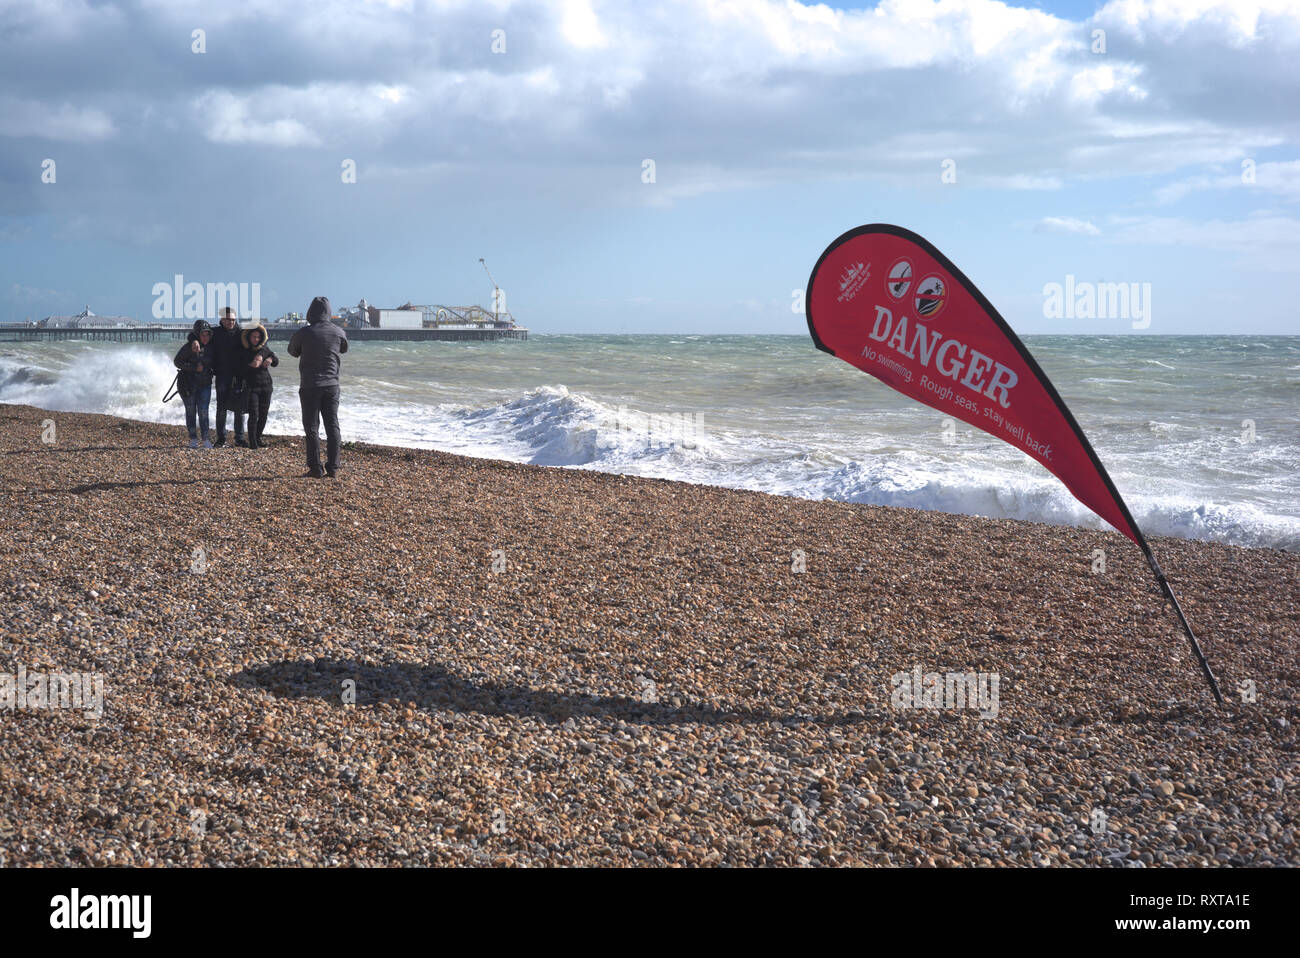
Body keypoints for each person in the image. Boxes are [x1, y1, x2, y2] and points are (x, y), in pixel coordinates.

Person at [287, 296, 348, 478]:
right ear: (329, 312)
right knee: (332, 425)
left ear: (310, 313)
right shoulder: (338, 332)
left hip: (310, 385)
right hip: (331, 385)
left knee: (312, 427)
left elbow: (292, 351)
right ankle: (334, 468)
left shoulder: (304, 333)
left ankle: (315, 468)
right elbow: (344, 349)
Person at [173, 320, 216, 448]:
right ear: (197, 334)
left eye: (207, 334)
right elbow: (177, 362)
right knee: (191, 412)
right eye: (202, 334)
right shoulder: (189, 347)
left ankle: (206, 439)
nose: (205, 337)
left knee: (203, 412)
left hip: (205, 384)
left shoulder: (211, 348)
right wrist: (193, 367)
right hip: (189, 385)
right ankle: (193, 439)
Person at [238, 323, 279, 449]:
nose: (255, 339)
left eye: (257, 337)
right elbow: (239, 370)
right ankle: (252, 442)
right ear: (249, 337)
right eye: (253, 337)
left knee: (263, 414)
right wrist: (251, 365)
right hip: (252, 387)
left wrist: (270, 360)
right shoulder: (243, 351)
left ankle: (258, 437)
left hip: (267, 386)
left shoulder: (264, 349)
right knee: (254, 414)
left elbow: (276, 361)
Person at [211, 306, 247, 447]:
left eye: (233, 319)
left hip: (238, 376)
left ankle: (239, 438)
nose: (231, 322)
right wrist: (194, 340)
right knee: (221, 408)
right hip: (222, 376)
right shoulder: (215, 332)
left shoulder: (241, 332)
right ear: (221, 319)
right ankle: (221, 438)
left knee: (240, 409)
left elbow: (260, 339)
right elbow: (196, 335)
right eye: (228, 320)